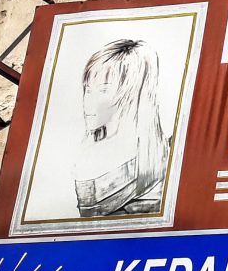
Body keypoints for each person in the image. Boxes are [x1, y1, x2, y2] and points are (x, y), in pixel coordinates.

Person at [72, 38, 170, 217]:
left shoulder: (166, 156)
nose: (88, 101)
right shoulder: (87, 156)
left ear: (132, 93)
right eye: (88, 90)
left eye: (103, 90)